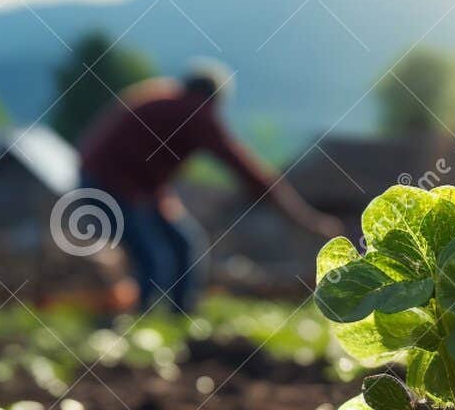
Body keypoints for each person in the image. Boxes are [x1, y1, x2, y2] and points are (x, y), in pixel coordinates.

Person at [76, 61, 341, 313]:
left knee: (181, 242)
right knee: (153, 257)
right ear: (214, 99)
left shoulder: (163, 100)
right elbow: (247, 170)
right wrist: (305, 219)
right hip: (109, 186)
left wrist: (157, 199)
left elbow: (146, 164)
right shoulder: (195, 113)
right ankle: (142, 323)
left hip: (109, 183)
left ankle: (174, 317)